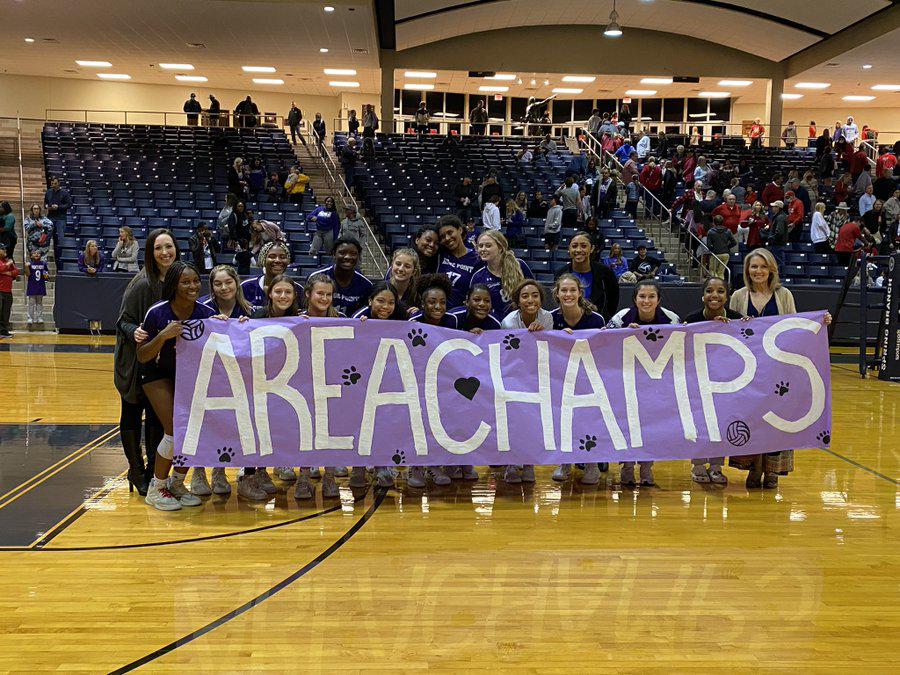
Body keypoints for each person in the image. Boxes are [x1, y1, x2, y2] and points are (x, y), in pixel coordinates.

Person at [729, 249, 831, 488]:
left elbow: (794, 327)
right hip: (748, 371)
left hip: (779, 369)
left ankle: (772, 470)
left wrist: (818, 323)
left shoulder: (784, 295)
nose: (758, 271)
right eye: (753, 267)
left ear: (771, 269)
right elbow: (729, 328)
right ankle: (753, 467)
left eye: (763, 267)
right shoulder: (738, 296)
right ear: (747, 270)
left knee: (778, 420)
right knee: (752, 418)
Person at [137, 261, 216, 510]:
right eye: (185, 282)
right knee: (175, 430)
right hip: (155, 374)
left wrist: (232, 324)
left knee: (192, 431)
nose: (192, 286)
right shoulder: (157, 313)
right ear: (174, 285)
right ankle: (156, 487)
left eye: (195, 281)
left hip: (188, 376)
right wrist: (163, 336)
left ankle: (177, 483)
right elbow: (142, 356)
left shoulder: (205, 312)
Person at [608, 279, 679, 485]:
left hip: (656, 382)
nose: (646, 300)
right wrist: (622, 334)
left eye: (651, 296)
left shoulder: (671, 319)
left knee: (651, 425)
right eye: (642, 296)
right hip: (626, 379)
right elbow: (602, 342)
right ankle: (627, 467)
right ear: (635, 298)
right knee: (627, 424)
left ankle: (647, 467)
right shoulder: (621, 318)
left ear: (658, 300)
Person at [192, 265, 255, 497]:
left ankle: (219, 472)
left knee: (227, 425)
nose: (224, 287)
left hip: (236, 378)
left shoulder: (249, 309)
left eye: (228, 282)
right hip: (205, 375)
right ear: (212, 287)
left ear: (236, 283)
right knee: (204, 423)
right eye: (218, 284)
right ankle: (198, 471)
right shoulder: (201, 309)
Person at [682, 277, 744, 484]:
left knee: (721, 421)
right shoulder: (690, 319)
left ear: (727, 296)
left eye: (720, 291)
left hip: (724, 381)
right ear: (703, 295)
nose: (714, 295)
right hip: (696, 379)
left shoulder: (736, 319)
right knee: (699, 422)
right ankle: (698, 465)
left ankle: (716, 466)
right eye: (709, 291)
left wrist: (739, 327)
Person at [549, 273, 607, 485]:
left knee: (588, 419)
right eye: (564, 290)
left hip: (588, 378)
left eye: (572, 290)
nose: (568, 294)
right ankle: (565, 461)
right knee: (564, 420)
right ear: (557, 293)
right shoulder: (550, 318)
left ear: (580, 293)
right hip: (559, 378)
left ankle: (591, 463)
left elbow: (604, 347)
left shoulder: (595, 318)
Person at [555, 232, 620, 319]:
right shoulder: (561, 274)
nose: (578, 250)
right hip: (569, 326)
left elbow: (613, 301)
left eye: (583, 246)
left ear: (592, 248)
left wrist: (602, 319)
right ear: (569, 249)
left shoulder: (606, 273)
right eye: (574, 246)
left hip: (598, 327)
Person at [470, 230, 532, 321]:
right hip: (494, 327)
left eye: (488, 246)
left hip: (521, 323)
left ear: (500, 248)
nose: (483, 249)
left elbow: (534, 295)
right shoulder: (478, 277)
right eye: (480, 246)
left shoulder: (519, 265)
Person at [312, 236, 373, 316]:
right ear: (334, 254)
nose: (347, 257)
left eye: (353, 254)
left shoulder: (366, 285)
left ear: (358, 256)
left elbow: (366, 314)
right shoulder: (316, 277)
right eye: (342, 253)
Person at [436, 214, 482, 308]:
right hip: (438, 311)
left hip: (462, 314)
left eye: (450, 232)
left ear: (460, 230)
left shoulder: (477, 258)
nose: (447, 238)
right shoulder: (440, 255)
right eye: (443, 236)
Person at [385, 247, 421, 313]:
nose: (401, 269)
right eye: (398, 264)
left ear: (414, 272)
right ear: (392, 265)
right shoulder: (381, 289)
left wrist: (419, 313)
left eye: (407, 266)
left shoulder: (419, 293)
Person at [705, 214, 737, 279]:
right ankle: (721, 286)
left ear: (714, 222)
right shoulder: (728, 231)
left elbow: (708, 245)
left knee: (712, 271)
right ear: (723, 222)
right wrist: (727, 247)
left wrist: (713, 249)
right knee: (721, 272)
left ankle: (715, 284)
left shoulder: (711, 232)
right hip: (725, 254)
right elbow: (734, 242)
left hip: (715, 254)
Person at [225, 200, 251, 274]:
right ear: (236, 207)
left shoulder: (245, 215)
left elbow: (247, 226)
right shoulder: (233, 215)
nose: (240, 208)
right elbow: (231, 228)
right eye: (239, 206)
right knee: (237, 258)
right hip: (236, 240)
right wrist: (236, 239)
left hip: (244, 240)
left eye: (242, 206)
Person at [25, 249, 48, 326]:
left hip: (40, 286)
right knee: (31, 303)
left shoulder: (43, 264)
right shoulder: (29, 264)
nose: (36, 254)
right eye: (34, 253)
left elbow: (46, 275)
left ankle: (39, 317)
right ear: (31, 255)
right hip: (32, 286)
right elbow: (27, 274)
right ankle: (30, 318)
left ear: (40, 255)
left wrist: (46, 276)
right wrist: (26, 267)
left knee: (39, 303)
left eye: (38, 253)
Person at [0, 245, 19, 339]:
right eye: (2, 249)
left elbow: (16, 272)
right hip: (0, 290)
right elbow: (1, 269)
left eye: (5, 249)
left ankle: (4, 331)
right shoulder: (7, 262)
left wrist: (9, 273)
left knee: (6, 312)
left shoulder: (8, 261)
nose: (5, 250)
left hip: (8, 291)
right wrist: (7, 265)